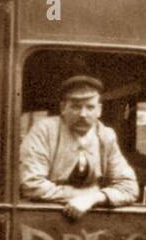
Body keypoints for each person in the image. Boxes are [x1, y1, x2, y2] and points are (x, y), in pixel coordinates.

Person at [20, 75, 139, 220]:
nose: (83, 114)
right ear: (63, 108)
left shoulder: (106, 136)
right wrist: (83, 196)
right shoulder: (44, 131)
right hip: (42, 218)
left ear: (99, 110)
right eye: (76, 107)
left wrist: (94, 198)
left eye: (90, 107)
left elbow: (129, 187)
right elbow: (32, 184)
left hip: (92, 224)